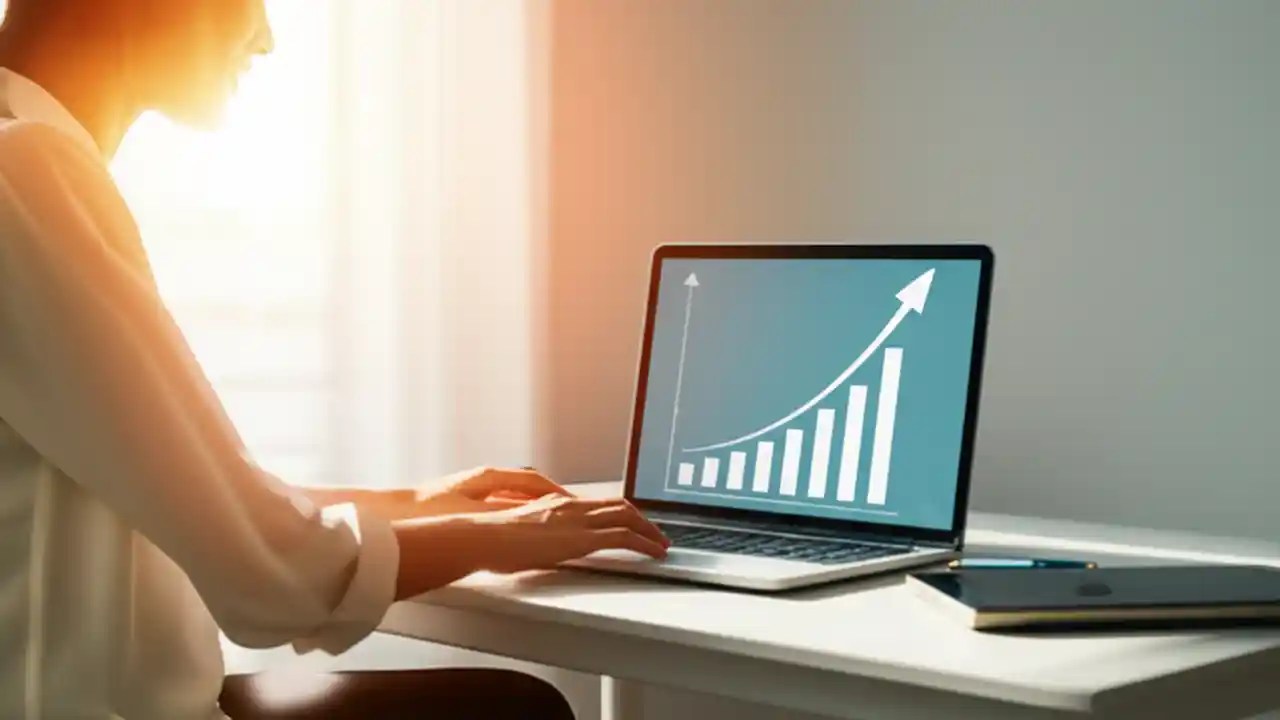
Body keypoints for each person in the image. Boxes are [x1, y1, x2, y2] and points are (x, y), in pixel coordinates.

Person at [0, 1, 670, 718]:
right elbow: (266, 573)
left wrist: (419, 501)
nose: (264, 37)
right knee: (510, 709)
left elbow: (192, 500)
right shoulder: (26, 168)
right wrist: (504, 538)